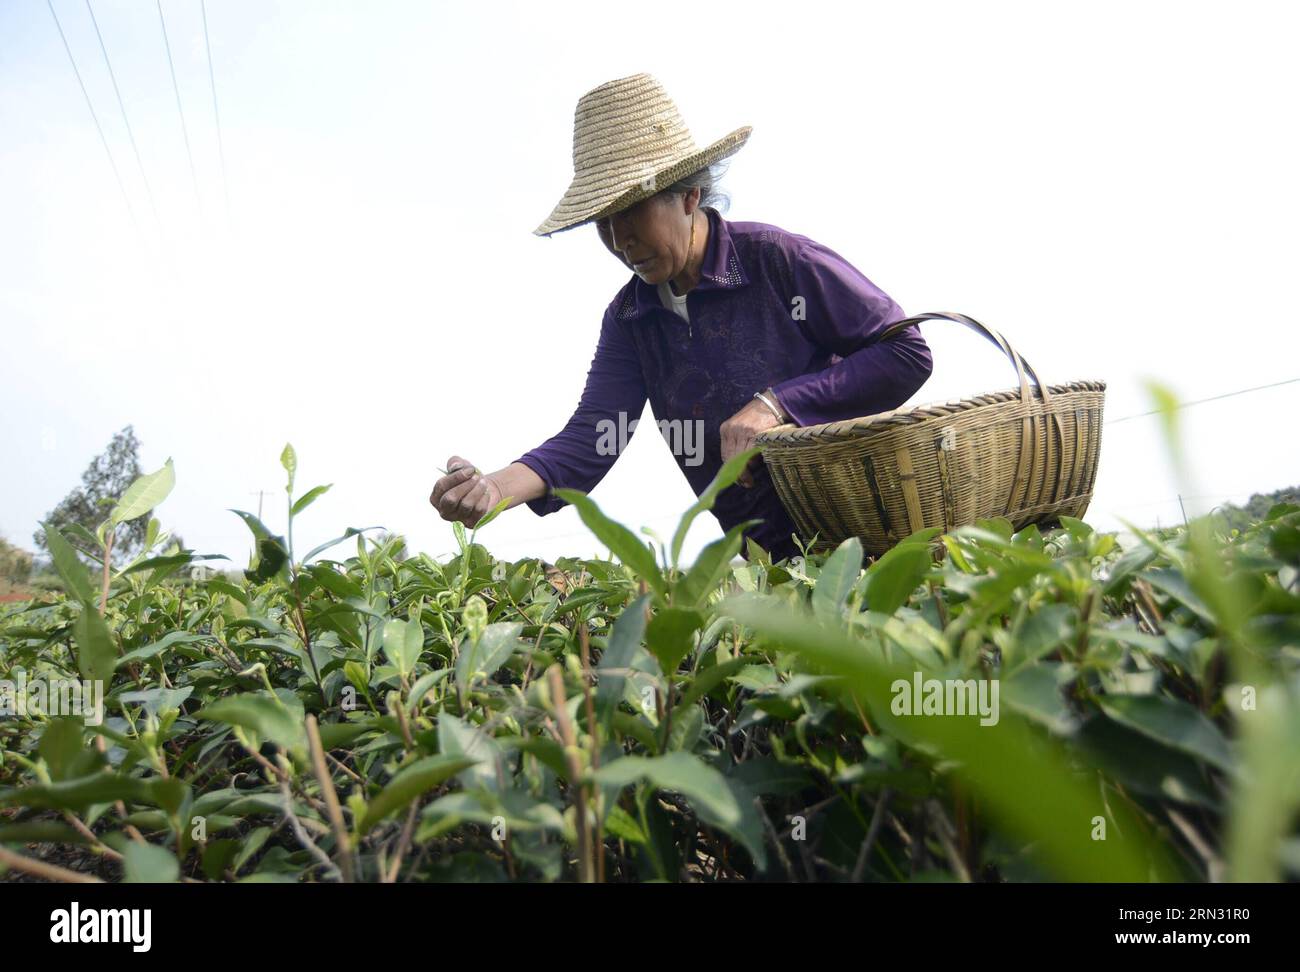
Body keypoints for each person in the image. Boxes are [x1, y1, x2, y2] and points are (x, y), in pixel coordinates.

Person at [430, 73, 932, 563]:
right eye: (603, 221)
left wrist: (776, 404)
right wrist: (494, 488)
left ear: (689, 196)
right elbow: (594, 435)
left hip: (872, 536)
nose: (620, 239)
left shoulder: (775, 260)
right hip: (771, 566)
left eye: (632, 211)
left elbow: (906, 353)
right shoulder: (632, 319)